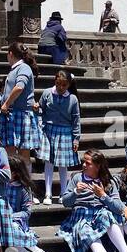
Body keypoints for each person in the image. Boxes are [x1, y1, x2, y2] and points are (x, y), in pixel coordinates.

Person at [57, 149, 127, 252]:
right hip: (81, 215)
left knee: (108, 217)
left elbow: (118, 207)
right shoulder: (76, 178)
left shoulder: (108, 181)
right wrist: (75, 192)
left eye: (87, 163)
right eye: (84, 161)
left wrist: (103, 196)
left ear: (97, 166)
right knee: (90, 235)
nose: (83, 165)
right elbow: (65, 202)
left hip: (100, 213)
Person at [39, 69, 81, 203]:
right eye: (58, 84)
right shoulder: (47, 93)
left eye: (64, 85)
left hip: (65, 132)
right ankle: (48, 193)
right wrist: (40, 121)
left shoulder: (73, 99)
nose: (61, 88)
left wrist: (76, 138)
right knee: (49, 162)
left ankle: (64, 193)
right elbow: (41, 109)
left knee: (63, 165)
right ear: (55, 82)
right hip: (49, 131)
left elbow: (76, 119)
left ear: (69, 85)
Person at [0, 41, 41, 156]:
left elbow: (19, 87)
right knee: (10, 149)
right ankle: (14, 173)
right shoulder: (15, 69)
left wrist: (6, 103)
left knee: (23, 152)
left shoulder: (23, 67)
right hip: (12, 114)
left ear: (10, 54)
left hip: (21, 114)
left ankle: (24, 174)